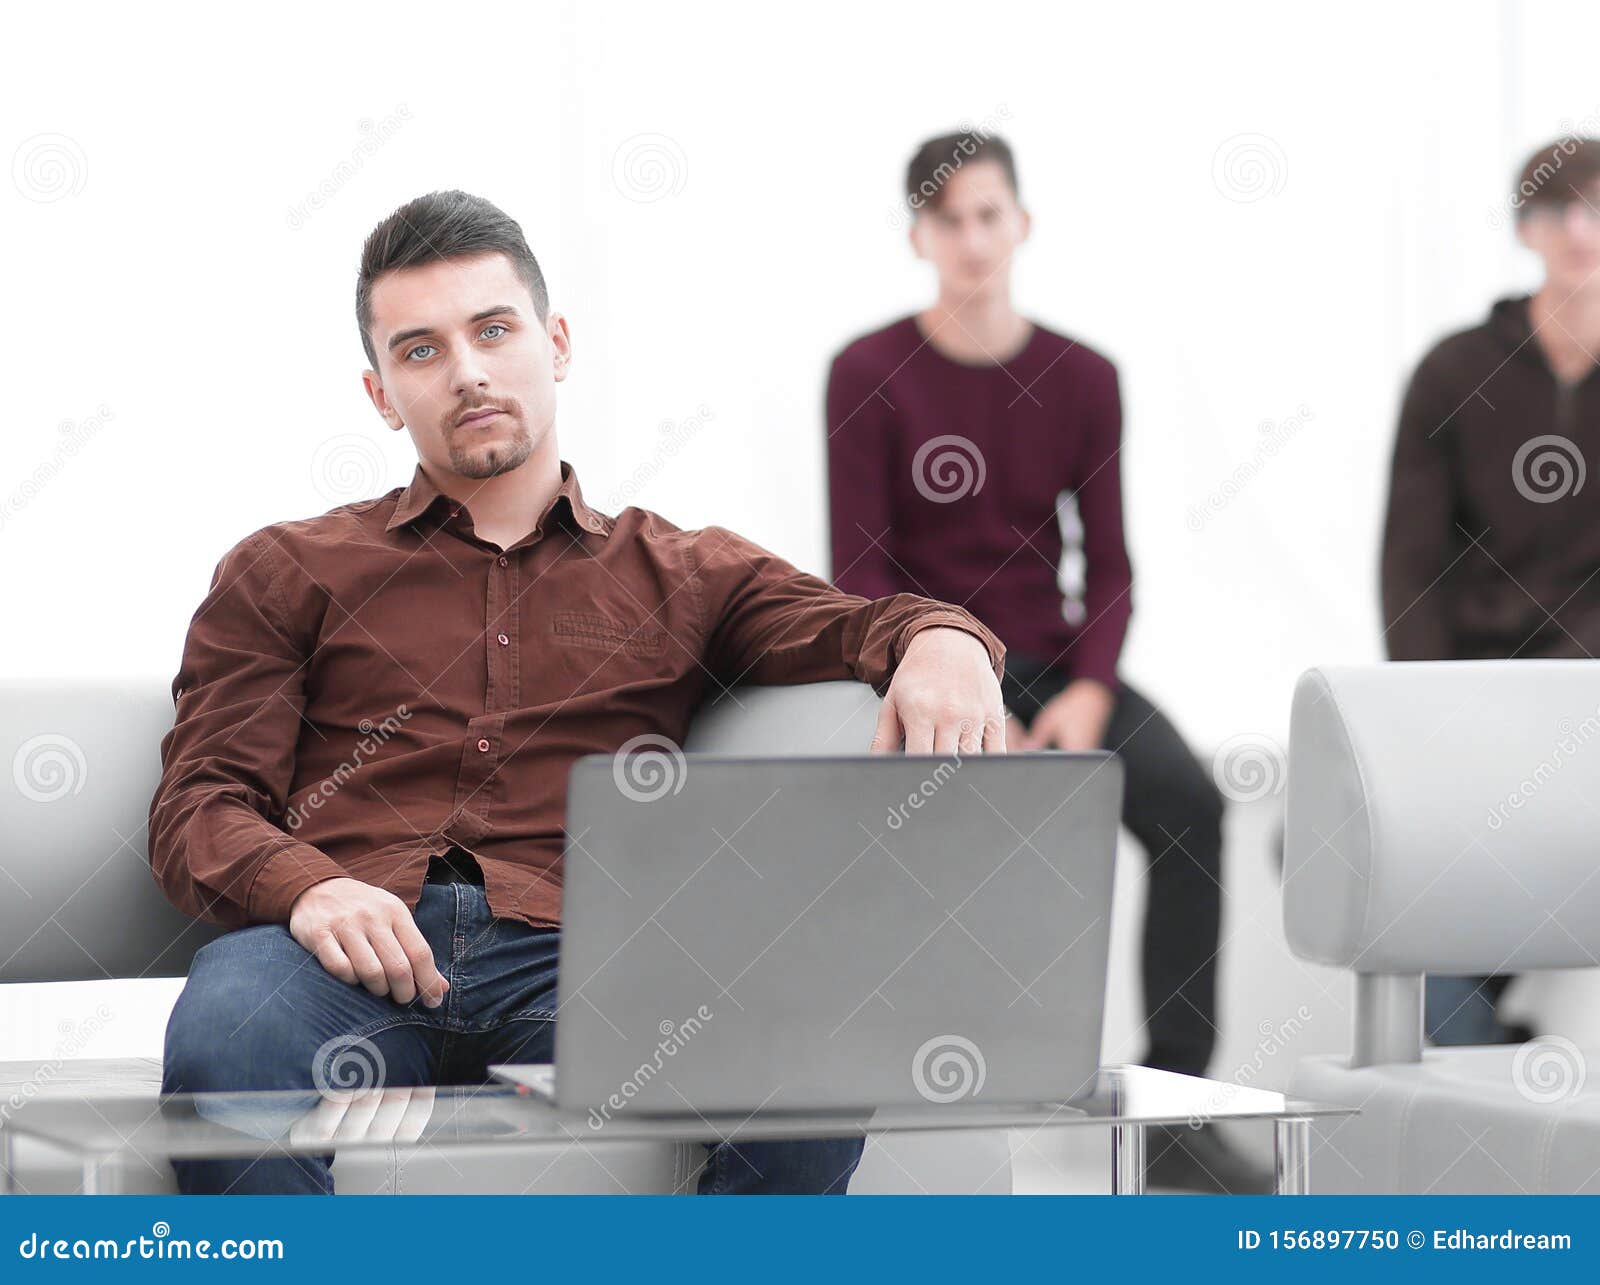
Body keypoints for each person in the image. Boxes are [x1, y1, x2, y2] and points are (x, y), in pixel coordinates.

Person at [150, 189, 1011, 1195]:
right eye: (420, 350)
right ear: (381, 393)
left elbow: (859, 624)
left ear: (553, 342)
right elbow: (198, 805)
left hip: (585, 965)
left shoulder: (680, 570)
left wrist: (947, 635)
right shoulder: (286, 566)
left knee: (801, 1033)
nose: (467, 370)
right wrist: (310, 887)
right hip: (340, 954)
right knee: (225, 1040)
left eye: (493, 330)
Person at [824, 132, 1269, 1194]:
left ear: (1021, 223)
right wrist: (951, 688)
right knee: (888, 843)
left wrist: (1083, 691)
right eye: (949, 220)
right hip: (926, 664)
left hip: (1053, 664)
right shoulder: (867, 372)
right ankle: (897, 1109)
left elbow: (1109, 564)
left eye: (989, 215)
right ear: (916, 236)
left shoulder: (1082, 377)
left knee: (1191, 807)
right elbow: (858, 567)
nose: (972, 238)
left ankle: (1172, 1116)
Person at [1380, 136, 1600, 1046]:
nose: (1581, 229)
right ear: (1525, 229)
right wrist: (1435, 716)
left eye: (1597, 206)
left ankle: (1489, 1056)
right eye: (1558, 210)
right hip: (1471, 691)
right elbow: (1409, 563)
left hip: (1587, 699)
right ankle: (1481, 1068)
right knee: (1408, 862)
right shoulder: (1454, 371)